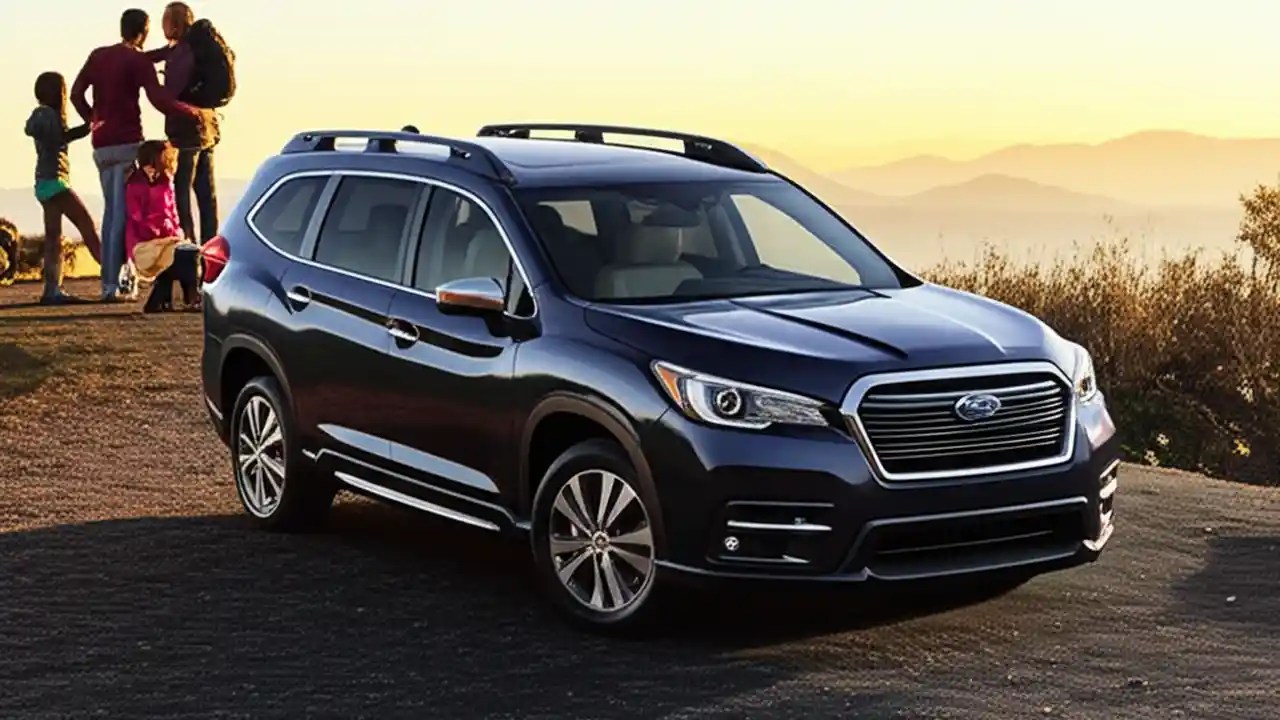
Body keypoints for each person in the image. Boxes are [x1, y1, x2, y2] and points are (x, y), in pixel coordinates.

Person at [71, 8, 200, 303]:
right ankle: (117, 285)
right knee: (123, 217)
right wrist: (189, 112)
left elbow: (76, 93)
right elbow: (158, 97)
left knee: (110, 213)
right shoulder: (136, 60)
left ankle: (108, 283)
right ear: (144, 30)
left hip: (101, 145)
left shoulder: (99, 55)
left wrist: (92, 118)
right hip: (128, 142)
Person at [24, 72, 105, 305]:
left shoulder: (44, 116)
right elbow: (55, 135)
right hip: (55, 182)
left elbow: (58, 136)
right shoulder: (47, 115)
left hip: (43, 182)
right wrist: (87, 126)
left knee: (53, 238)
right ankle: (112, 275)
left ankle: (52, 289)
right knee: (87, 226)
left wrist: (85, 127)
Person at [149, 2, 221, 244]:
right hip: (208, 129)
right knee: (206, 196)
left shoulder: (182, 52)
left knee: (181, 192)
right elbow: (157, 55)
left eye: (166, 21)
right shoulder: (192, 48)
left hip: (188, 132)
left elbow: (173, 92)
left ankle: (186, 248)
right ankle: (211, 253)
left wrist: (157, 90)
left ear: (175, 23)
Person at [125, 140, 199, 313]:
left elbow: (172, 213)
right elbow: (136, 217)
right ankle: (190, 298)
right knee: (181, 255)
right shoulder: (135, 183)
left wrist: (175, 232)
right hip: (143, 244)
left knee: (188, 251)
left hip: (166, 241)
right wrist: (157, 229)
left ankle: (172, 299)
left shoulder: (166, 182)